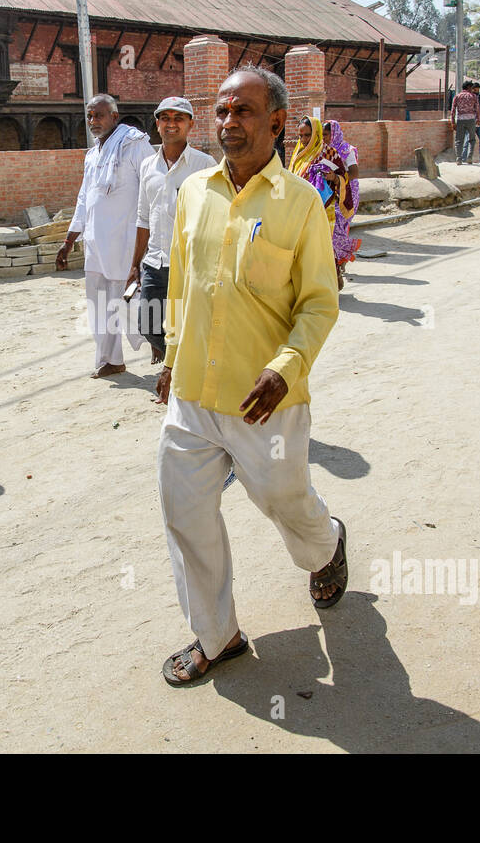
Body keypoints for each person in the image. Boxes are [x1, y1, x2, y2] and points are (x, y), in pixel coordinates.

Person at [156, 65, 345, 686]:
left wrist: (286, 368)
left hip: (266, 400)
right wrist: (170, 357)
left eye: (244, 111)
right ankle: (219, 635)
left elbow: (319, 303)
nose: (229, 122)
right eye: (222, 110)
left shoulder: (301, 203)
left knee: (284, 502)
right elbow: (181, 284)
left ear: (277, 122)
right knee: (185, 511)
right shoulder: (194, 193)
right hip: (193, 393)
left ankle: (326, 546)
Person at [57, 94, 154, 378]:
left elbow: (152, 187)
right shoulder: (92, 155)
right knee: (99, 305)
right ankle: (111, 360)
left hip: (125, 241)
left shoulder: (134, 144)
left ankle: (161, 346)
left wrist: (151, 236)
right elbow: (84, 199)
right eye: (89, 116)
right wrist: (68, 241)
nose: (93, 121)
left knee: (134, 301)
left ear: (114, 116)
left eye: (99, 115)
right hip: (95, 244)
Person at [128, 96, 215, 369]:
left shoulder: (205, 165)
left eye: (179, 118)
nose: (171, 124)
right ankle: (177, 370)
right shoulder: (147, 166)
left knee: (185, 327)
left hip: (189, 264)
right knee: (148, 326)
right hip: (155, 262)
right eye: (165, 118)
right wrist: (135, 264)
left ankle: (178, 378)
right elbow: (143, 218)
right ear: (157, 124)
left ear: (191, 124)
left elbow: (214, 216)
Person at [289, 117, 362, 289]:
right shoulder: (298, 153)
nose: (303, 139)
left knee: (323, 246)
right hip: (301, 209)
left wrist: (334, 177)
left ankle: (332, 278)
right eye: (300, 136)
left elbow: (345, 176)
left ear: (316, 134)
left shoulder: (330, 153)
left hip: (323, 209)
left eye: (307, 135)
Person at [451, 80, 479, 164]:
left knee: (459, 140)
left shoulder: (457, 96)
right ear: (468, 87)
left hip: (460, 120)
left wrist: (453, 122)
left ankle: (459, 158)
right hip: (471, 120)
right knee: (472, 139)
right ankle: (469, 157)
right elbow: (477, 109)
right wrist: (478, 119)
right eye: (471, 87)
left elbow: (453, 110)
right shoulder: (473, 96)